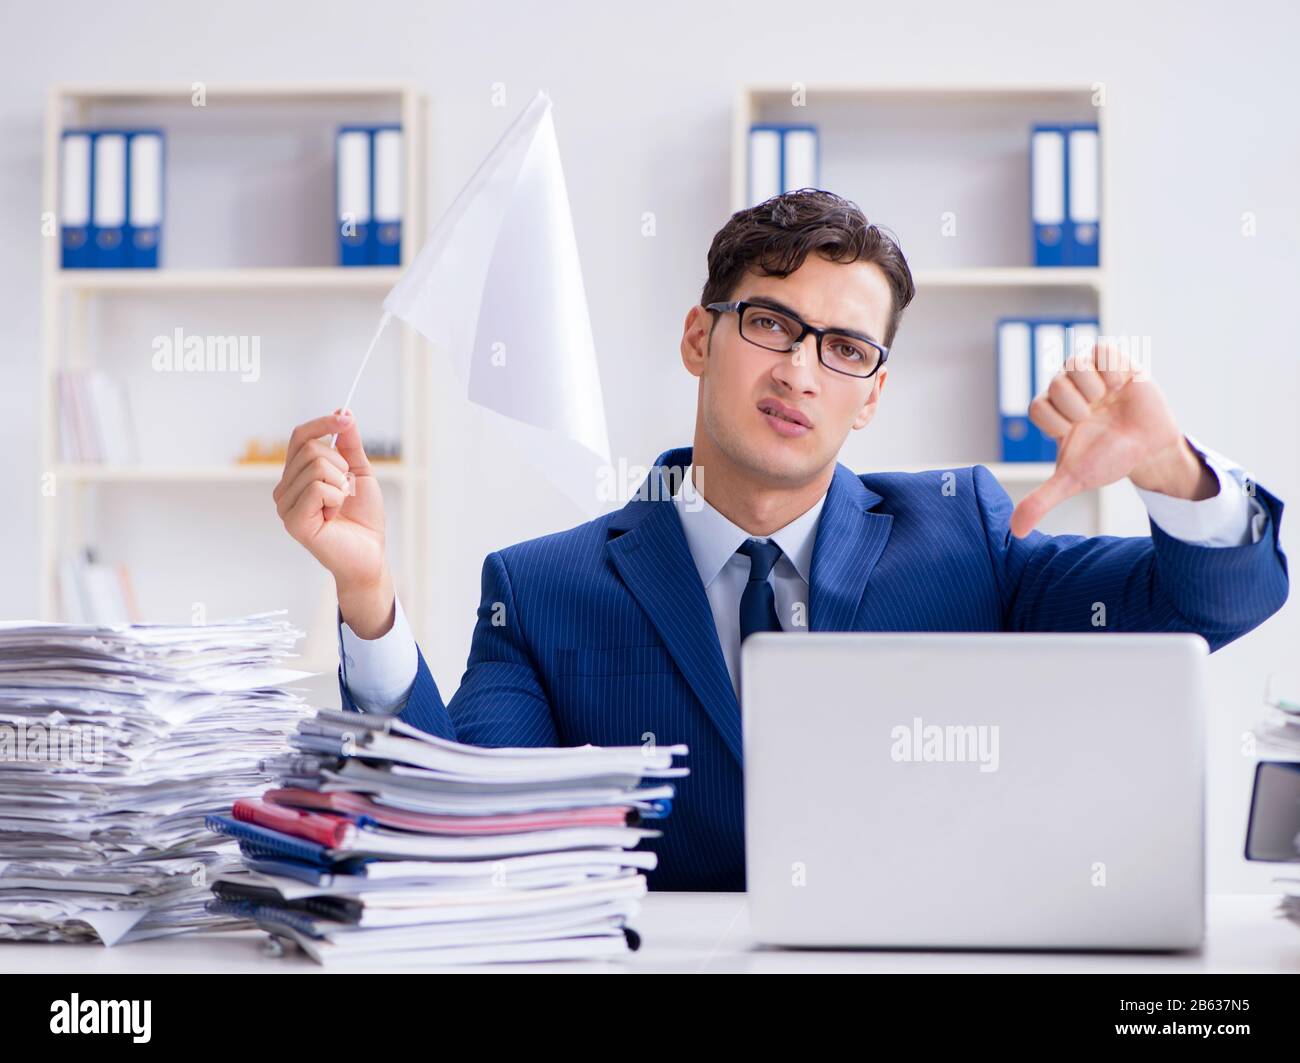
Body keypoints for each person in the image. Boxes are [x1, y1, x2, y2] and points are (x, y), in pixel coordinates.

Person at [273, 189, 1289, 890]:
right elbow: (466, 828)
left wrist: (1176, 480)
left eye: (843, 347)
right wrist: (371, 599)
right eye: (770, 322)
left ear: (871, 396)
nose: (802, 370)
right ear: (697, 338)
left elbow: (1210, 606)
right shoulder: (541, 587)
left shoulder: (967, 537)